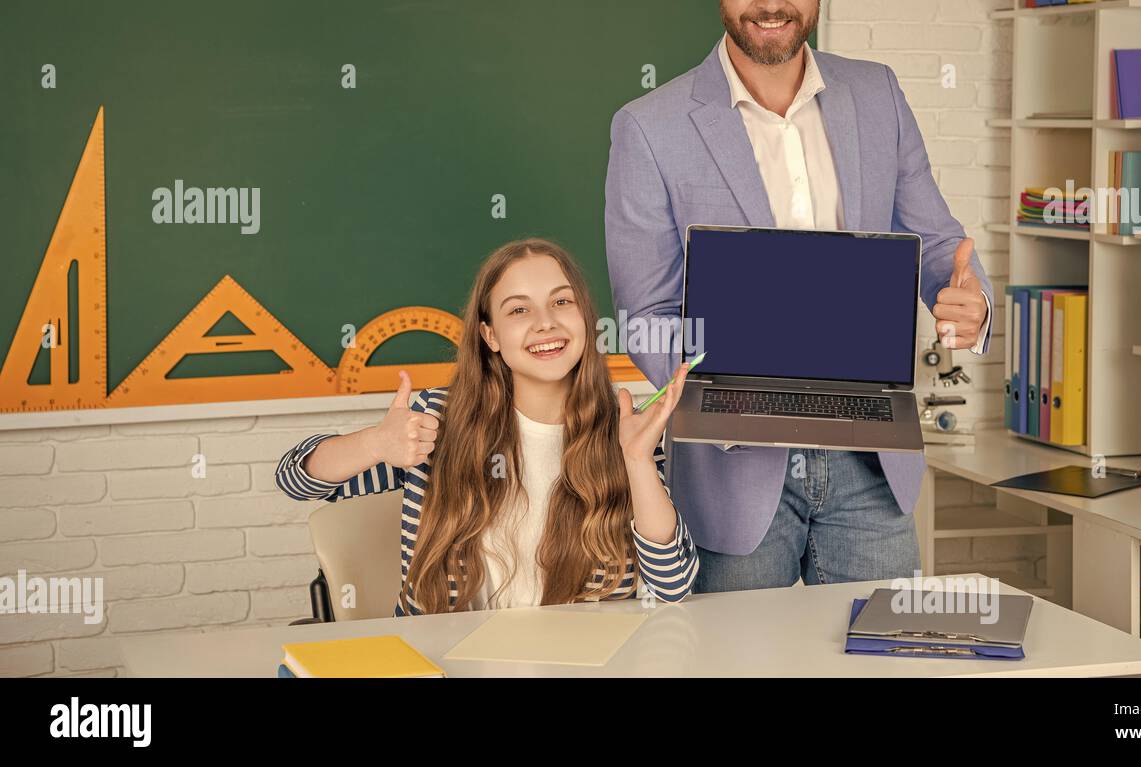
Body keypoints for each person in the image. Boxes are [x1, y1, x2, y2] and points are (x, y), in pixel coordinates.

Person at [604, 0, 994, 592]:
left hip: (871, 463)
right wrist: (729, 398)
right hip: (733, 471)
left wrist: (972, 303)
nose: (770, 5)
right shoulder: (649, 125)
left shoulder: (877, 93)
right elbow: (646, 316)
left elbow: (940, 244)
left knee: (881, 662)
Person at [275, 238, 699, 614]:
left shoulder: (626, 429)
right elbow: (296, 480)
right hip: (449, 658)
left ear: (587, 320)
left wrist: (639, 461)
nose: (545, 322)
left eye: (561, 302)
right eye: (518, 309)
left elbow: (673, 586)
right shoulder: (437, 421)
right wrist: (376, 443)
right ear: (490, 335)